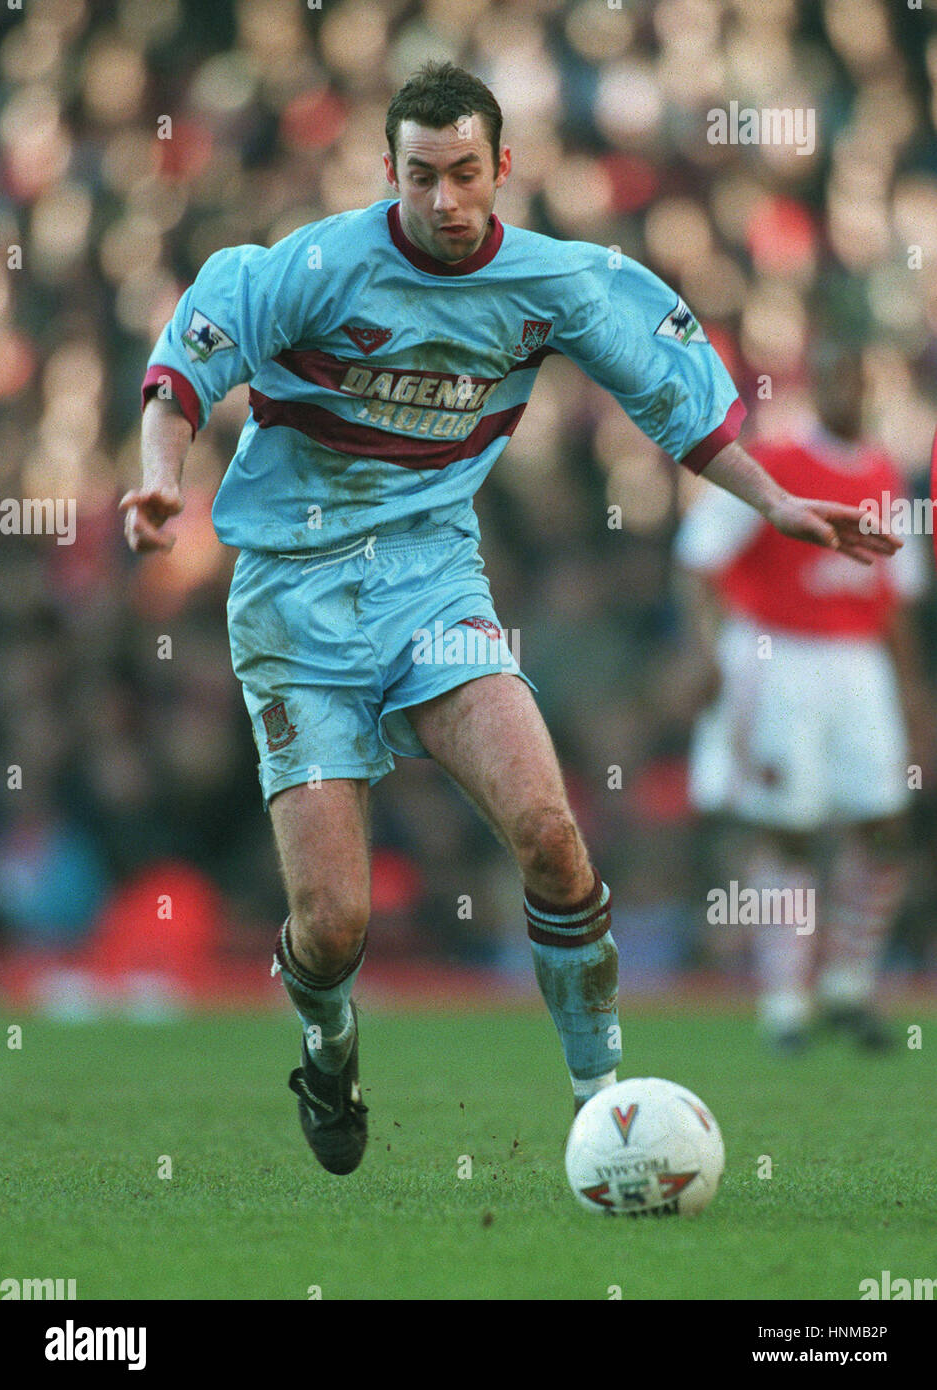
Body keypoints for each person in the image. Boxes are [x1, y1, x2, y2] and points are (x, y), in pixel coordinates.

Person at [122, 64, 897, 1174]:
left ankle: (609, 1109)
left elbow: (668, 391)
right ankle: (328, 1038)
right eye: (422, 175)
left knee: (550, 833)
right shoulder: (317, 267)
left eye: (466, 174)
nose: (445, 200)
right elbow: (189, 355)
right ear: (389, 171)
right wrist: (161, 475)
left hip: (431, 589)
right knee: (334, 925)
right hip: (293, 601)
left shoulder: (559, 282)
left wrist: (777, 504)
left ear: (504, 170)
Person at [675, 344, 928, 1052]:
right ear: (817, 384)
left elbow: (900, 595)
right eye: (836, 375)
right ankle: (785, 1004)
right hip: (776, 656)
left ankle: (849, 988)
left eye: (859, 375)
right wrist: (703, 651)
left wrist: (913, 694)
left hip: (859, 664)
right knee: (786, 827)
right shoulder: (775, 464)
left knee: (884, 821)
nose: (848, 389)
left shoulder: (885, 475)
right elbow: (698, 560)